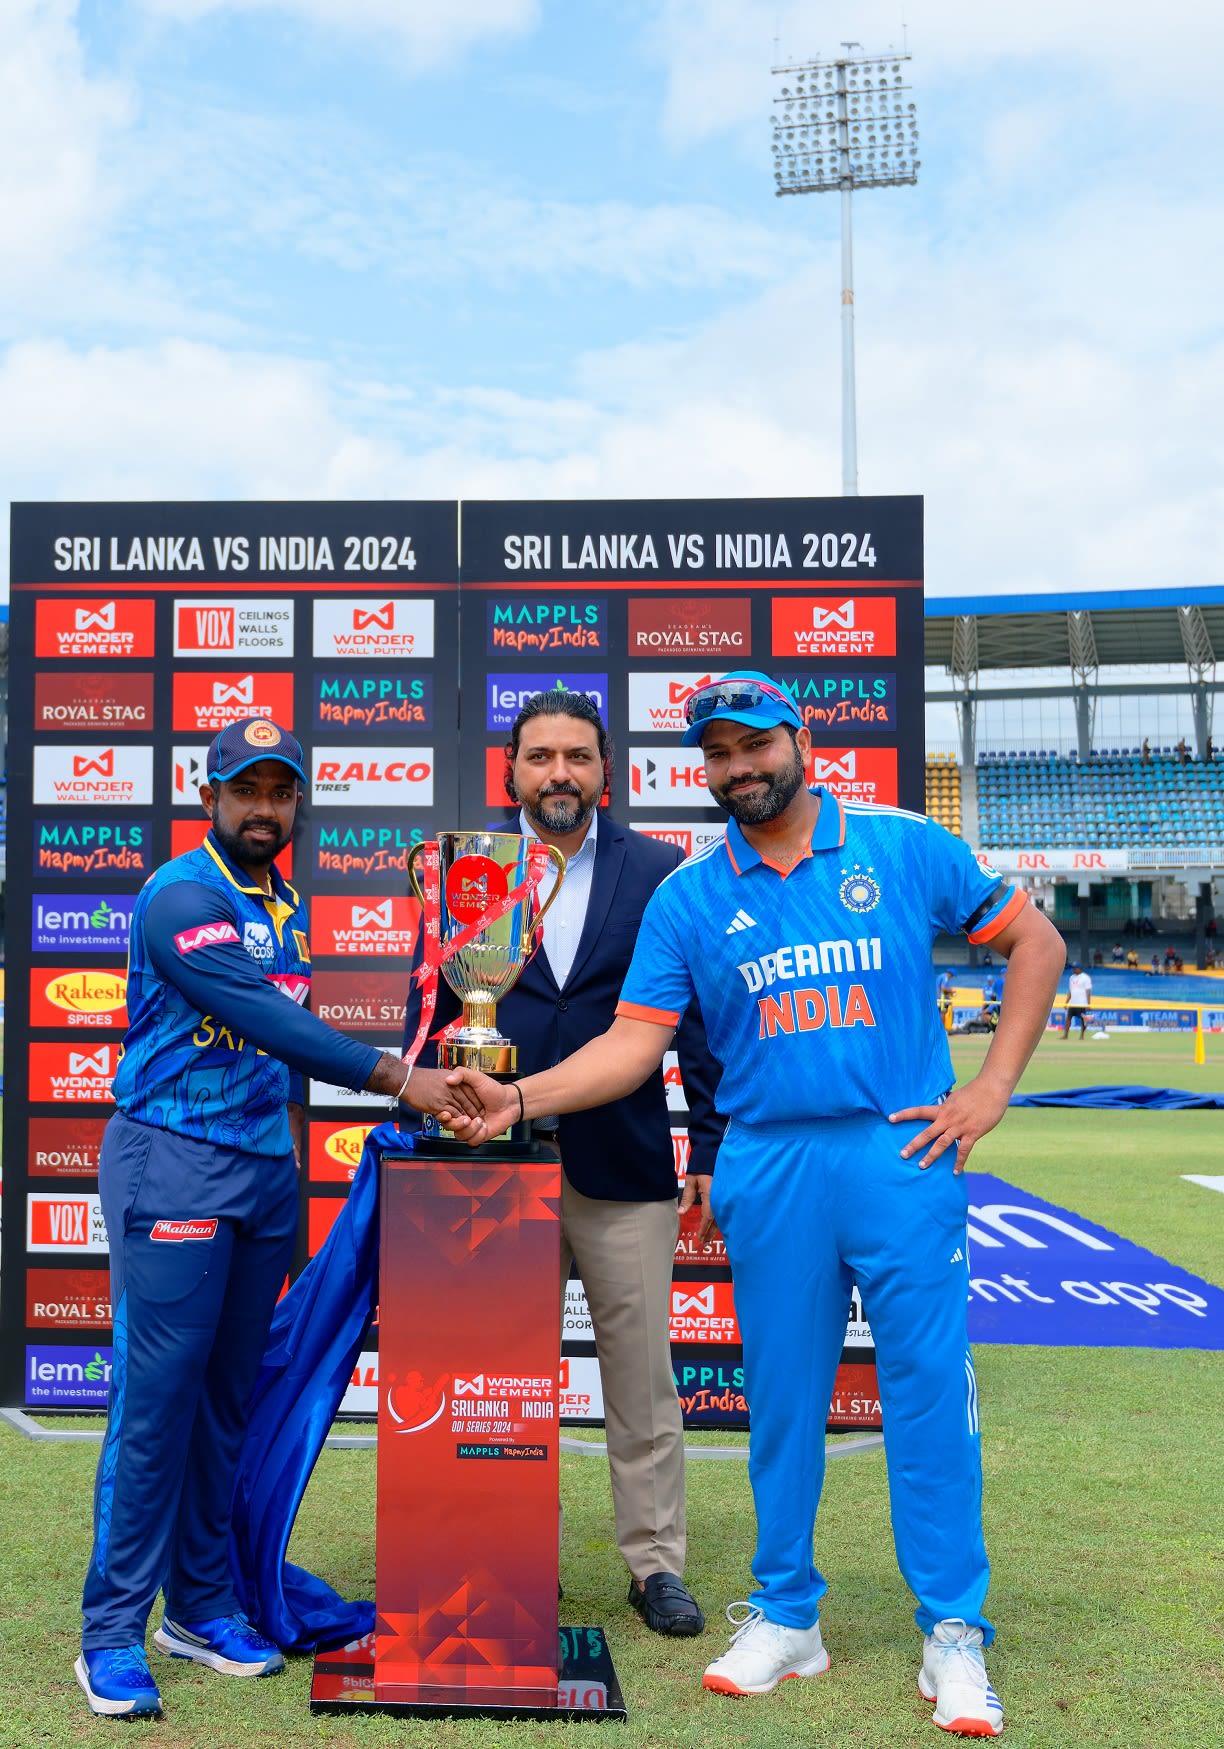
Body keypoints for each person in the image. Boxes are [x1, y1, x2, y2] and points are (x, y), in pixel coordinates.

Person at [442, 670, 1065, 1740]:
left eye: (754, 745)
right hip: (767, 1163)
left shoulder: (900, 843)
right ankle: (786, 1615)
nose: (739, 767)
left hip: (895, 1150)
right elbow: (633, 1046)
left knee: (923, 1393)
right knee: (779, 1403)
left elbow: (1034, 943)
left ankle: (952, 1631)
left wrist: (989, 1090)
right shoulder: (689, 894)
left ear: (799, 738)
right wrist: (516, 1097)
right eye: (718, 754)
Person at [75, 717, 470, 1720]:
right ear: (208, 798)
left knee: (226, 1405)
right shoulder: (184, 894)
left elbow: (272, 1043)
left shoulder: (280, 901)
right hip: (171, 1162)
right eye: (243, 791)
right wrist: (399, 1078)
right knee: (155, 1407)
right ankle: (112, 1630)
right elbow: (264, 1019)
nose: (262, 809)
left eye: (279, 792)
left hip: (258, 1175)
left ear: (297, 803)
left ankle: (200, 1604)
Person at [401, 689, 723, 1637]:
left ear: (606, 771)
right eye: (540, 756)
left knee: (642, 1379)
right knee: (499, 1371)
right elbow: (431, 1003)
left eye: (577, 757)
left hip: (624, 1164)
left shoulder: (664, 874)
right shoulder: (465, 872)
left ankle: (654, 1563)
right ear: (511, 770)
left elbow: (697, 1024)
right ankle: (492, 1544)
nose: (559, 774)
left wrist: (706, 1141)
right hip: (490, 1171)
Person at [1063, 964, 1092, 1038]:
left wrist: (1088, 1004)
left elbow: (1088, 991)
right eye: (1073, 968)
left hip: (1082, 1003)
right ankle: (1065, 1035)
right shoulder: (1071, 977)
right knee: (1068, 1018)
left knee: (1083, 1020)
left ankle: (1082, 1035)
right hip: (1073, 1003)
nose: (1073, 970)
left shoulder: (1085, 977)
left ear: (1080, 969)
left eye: (1075, 968)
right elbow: (1070, 991)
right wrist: (1066, 1003)